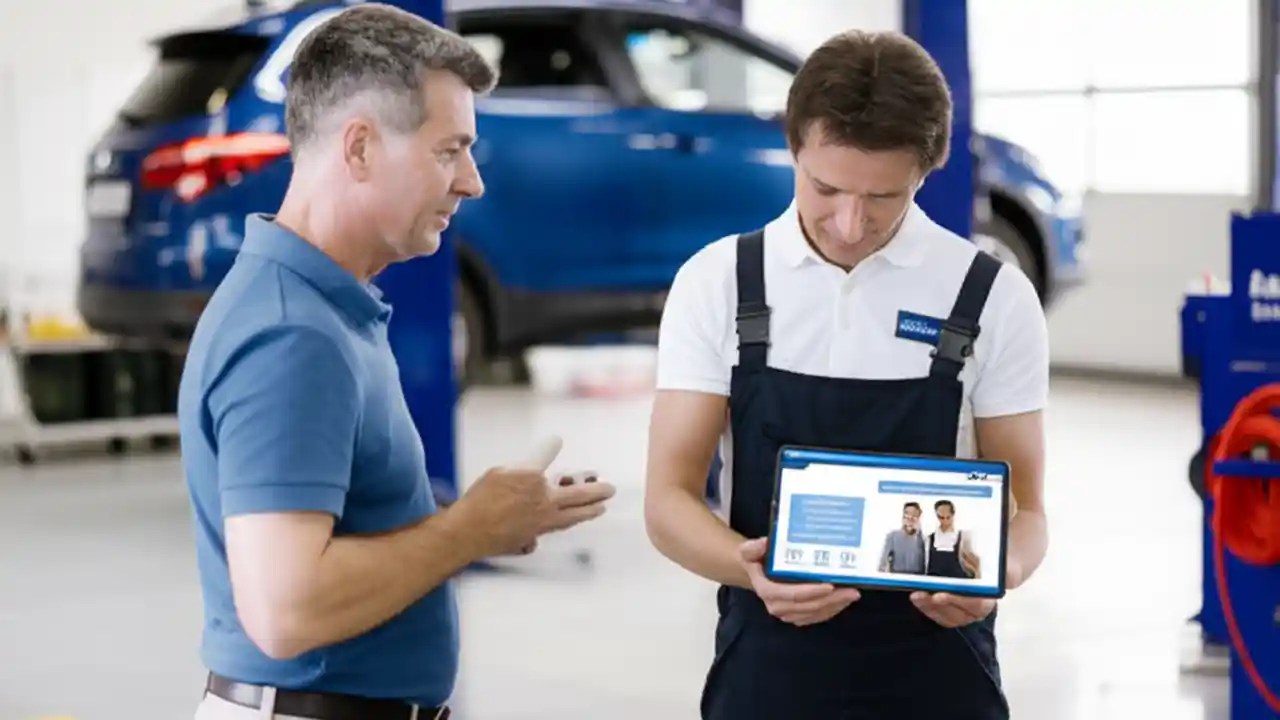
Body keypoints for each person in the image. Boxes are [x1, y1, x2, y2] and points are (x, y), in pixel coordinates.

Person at [177, 6, 615, 719]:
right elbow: (286, 608)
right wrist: (472, 528)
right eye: (450, 151)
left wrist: (487, 515)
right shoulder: (293, 337)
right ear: (358, 148)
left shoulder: (324, 309)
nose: (471, 181)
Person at [643, 28, 1049, 720]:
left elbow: (1030, 511)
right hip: (769, 666)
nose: (850, 223)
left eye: (884, 197)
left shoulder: (990, 295)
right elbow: (668, 500)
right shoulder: (719, 283)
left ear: (928, 170)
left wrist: (999, 574)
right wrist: (750, 569)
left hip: (939, 674)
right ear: (793, 146)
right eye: (826, 188)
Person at [926, 500, 981, 579]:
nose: (945, 521)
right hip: (934, 582)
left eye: (948, 517)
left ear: (953, 515)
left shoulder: (964, 538)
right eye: (941, 517)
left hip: (958, 584)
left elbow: (975, 565)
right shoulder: (929, 539)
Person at [879, 501, 926, 574]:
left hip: (917, 580)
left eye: (914, 515)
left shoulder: (923, 540)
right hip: (897, 579)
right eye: (907, 514)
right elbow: (883, 563)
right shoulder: (892, 536)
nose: (910, 518)